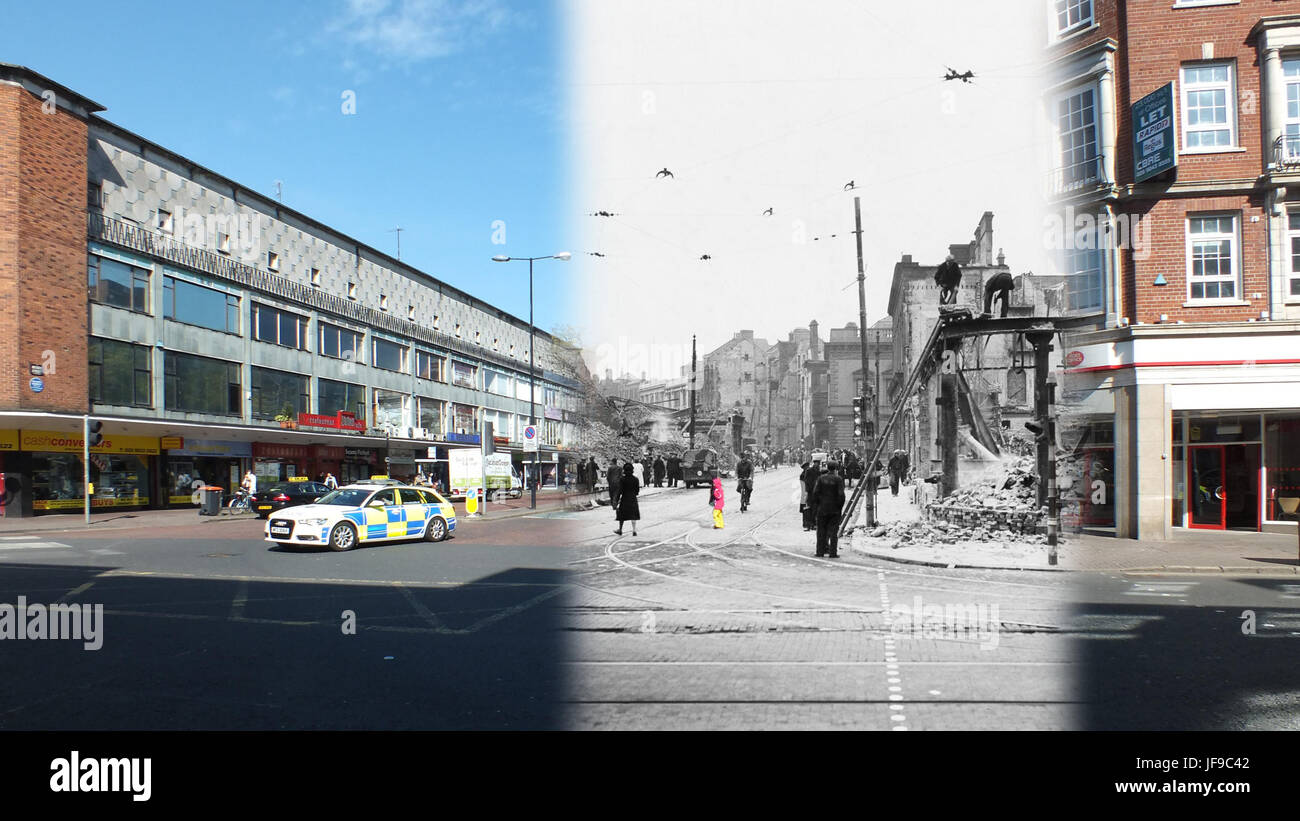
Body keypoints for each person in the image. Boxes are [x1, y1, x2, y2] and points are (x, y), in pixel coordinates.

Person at [810, 461, 847, 558]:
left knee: (821, 531)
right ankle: (833, 552)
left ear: (828, 467)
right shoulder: (838, 479)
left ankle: (820, 552)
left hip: (822, 508)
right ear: (835, 468)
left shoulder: (821, 478)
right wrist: (839, 507)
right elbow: (841, 495)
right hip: (834, 509)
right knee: (833, 532)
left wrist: (818, 504)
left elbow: (815, 493)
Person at [614, 463, 641, 536]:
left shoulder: (622, 479)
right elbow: (637, 491)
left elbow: (620, 491)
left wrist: (616, 500)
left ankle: (620, 529)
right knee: (633, 514)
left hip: (625, 498)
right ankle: (634, 530)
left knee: (622, 514)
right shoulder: (635, 479)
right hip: (633, 498)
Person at [801, 461, 821, 530]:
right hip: (810, 493)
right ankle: (809, 524)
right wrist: (807, 492)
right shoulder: (809, 471)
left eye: (818, 464)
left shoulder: (818, 471)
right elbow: (806, 482)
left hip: (815, 493)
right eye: (816, 463)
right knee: (809, 508)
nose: (817, 465)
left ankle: (813, 523)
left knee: (815, 509)